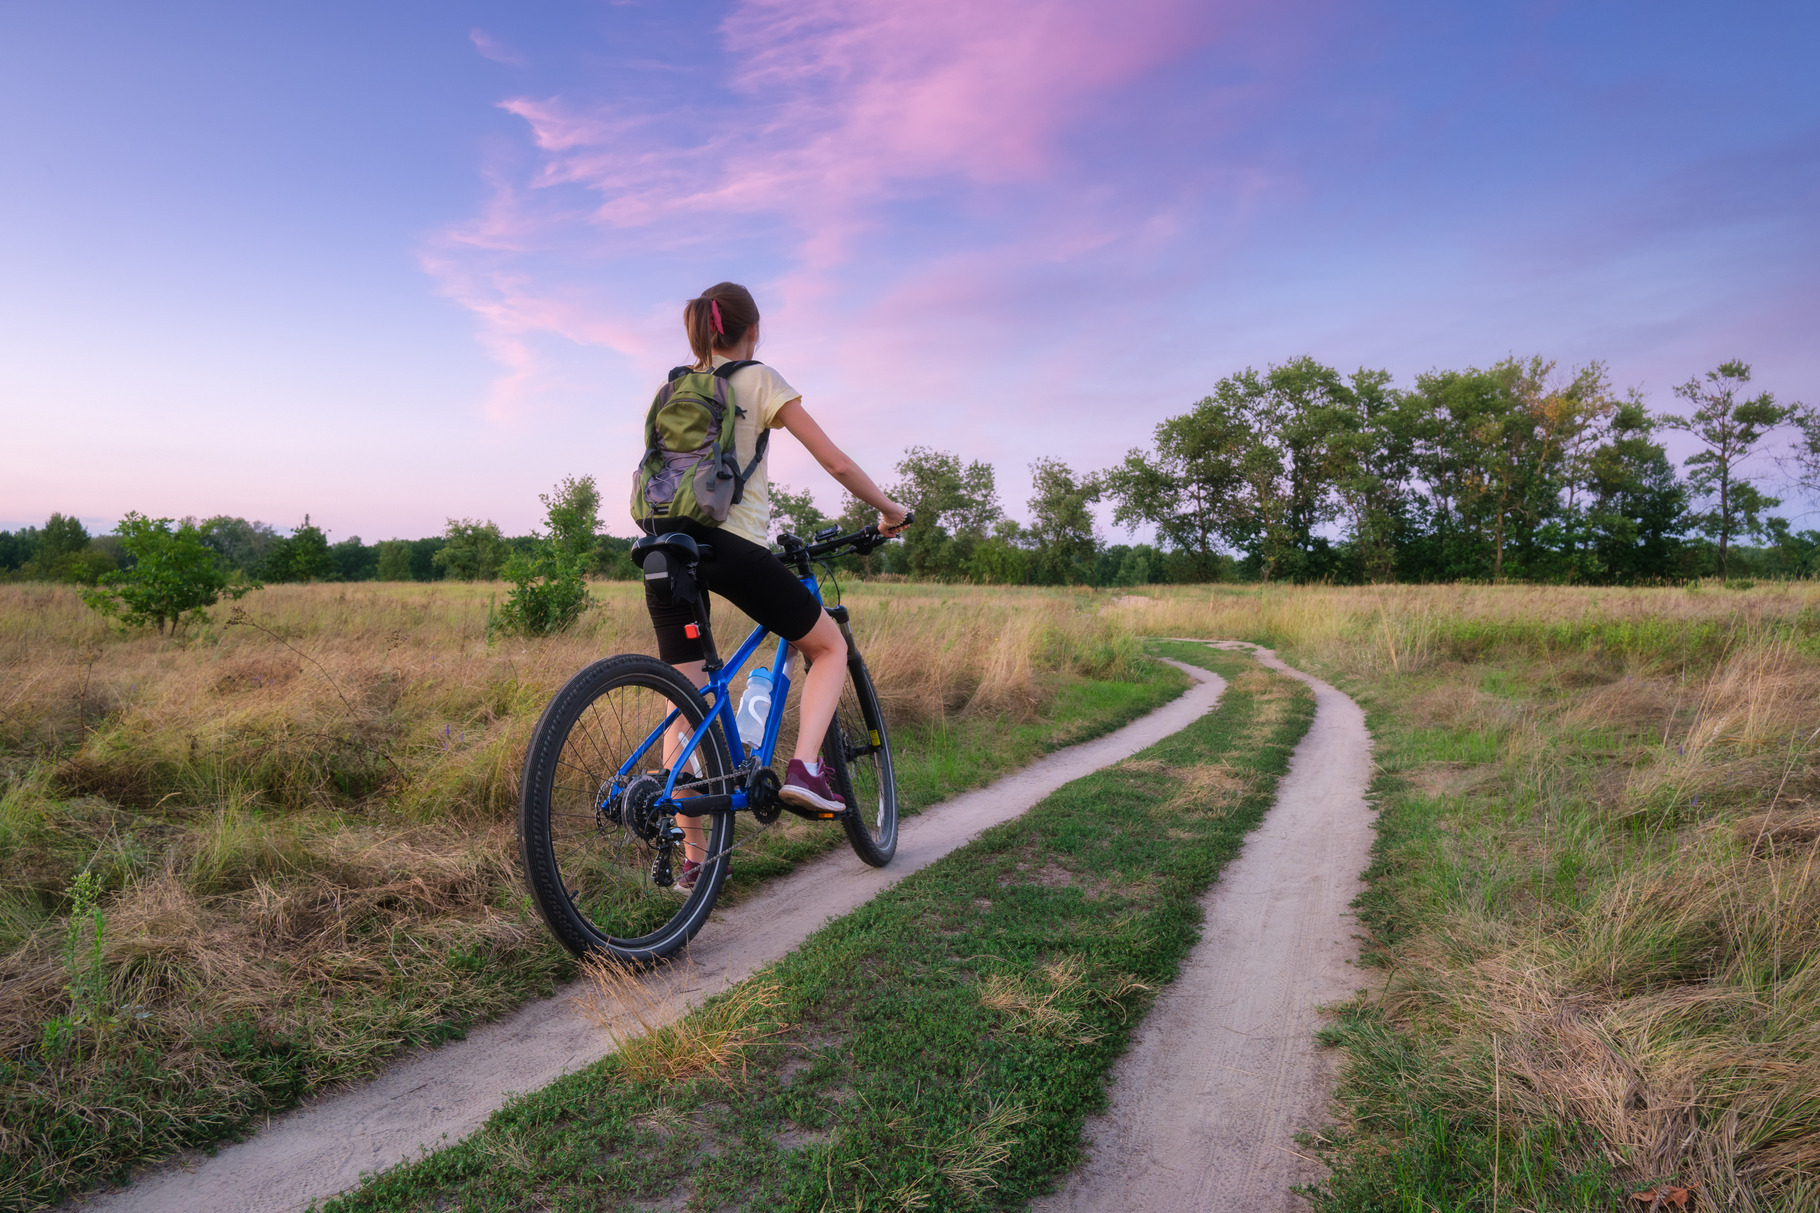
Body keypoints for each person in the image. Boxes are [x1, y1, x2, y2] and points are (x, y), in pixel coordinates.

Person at [643, 282, 908, 890]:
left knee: (684, 702)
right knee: (828, 646)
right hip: (730, 547)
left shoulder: (670, 389)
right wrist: (890, 510)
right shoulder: (758, 379)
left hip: (665, 550)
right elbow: (836, 462)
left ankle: (692, 860)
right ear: (750, 330)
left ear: (701, 333)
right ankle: (806, 769)